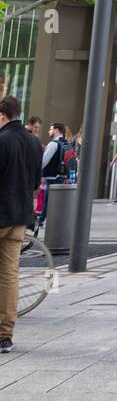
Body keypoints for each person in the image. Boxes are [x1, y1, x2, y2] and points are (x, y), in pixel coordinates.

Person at [0, 95, 43, 353]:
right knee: (9, 274)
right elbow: (37, 181)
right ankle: (5, 335)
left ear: (3, 115)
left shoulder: (2, 140)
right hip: (20, 216)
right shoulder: (34, 142)